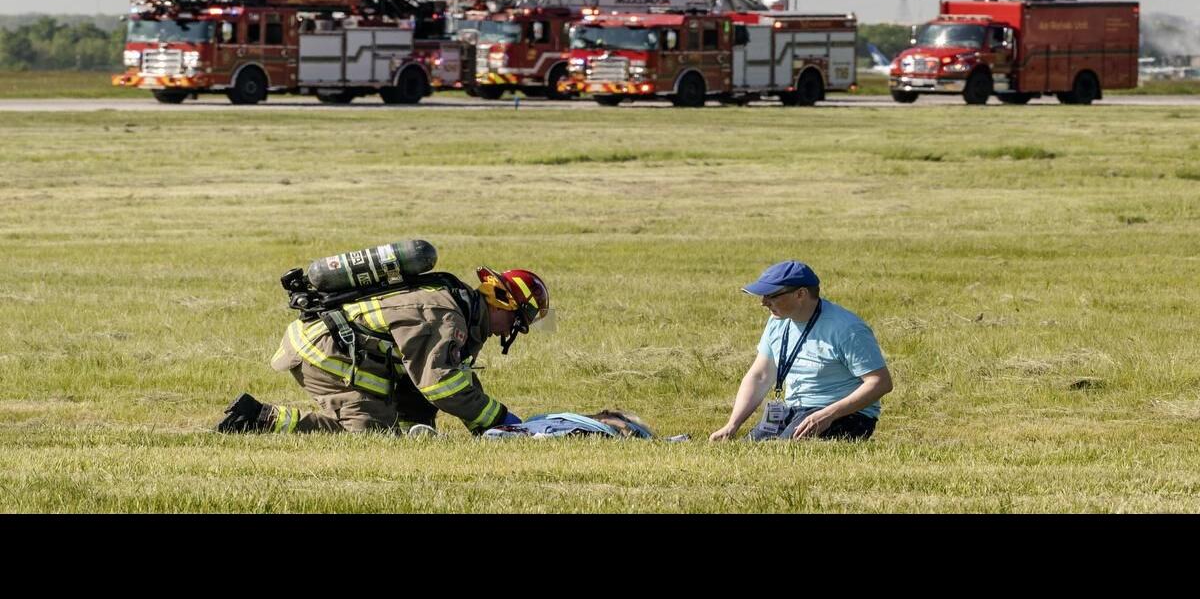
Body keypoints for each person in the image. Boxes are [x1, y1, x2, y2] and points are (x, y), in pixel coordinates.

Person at [217, 266, 550, 436]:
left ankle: (407, 431)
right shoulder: (446, 315)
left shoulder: (460, 308)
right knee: (370, 436)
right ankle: (258, 418)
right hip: (326, 352)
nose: (512, 331)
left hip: (343, 346)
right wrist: (500, 420)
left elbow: (452, 375)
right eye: (517, 321)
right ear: (502, 302)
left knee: (398, 424)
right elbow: (441, 384)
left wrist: (485, 426)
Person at [709, 260, 893, 442]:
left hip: (845, 415)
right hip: (792, 410)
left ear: (800, 294)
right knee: (749, 449)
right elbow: (760, 376)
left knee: (781, 452)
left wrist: (828, 415)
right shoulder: (777, 322)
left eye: (771, 295)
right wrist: (732, 425)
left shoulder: (847, 329)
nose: (763, 303)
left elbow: (880, 382)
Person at [483, 409, 667, 439]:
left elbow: (642, 438)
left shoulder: (619, 423)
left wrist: (619, 423)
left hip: (571, 426)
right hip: (557, 421)